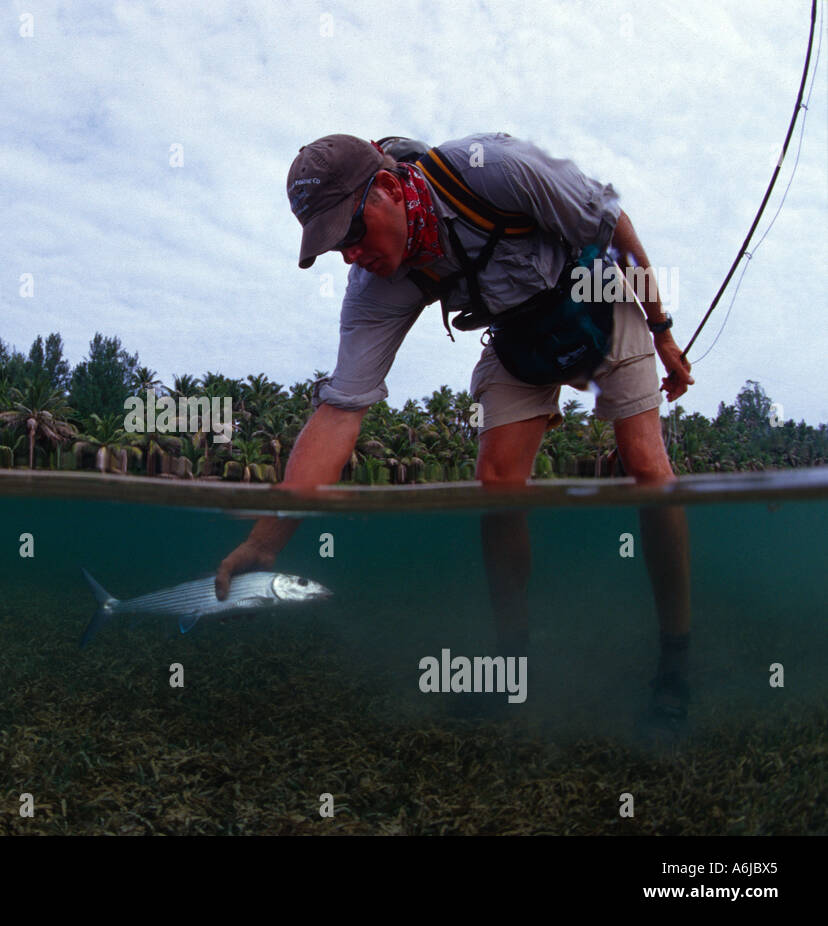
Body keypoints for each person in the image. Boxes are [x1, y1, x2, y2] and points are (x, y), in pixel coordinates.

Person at [214, 132, 695, 727]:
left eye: (352, 232)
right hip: (519, 337)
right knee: (494, 484)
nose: (351, 255)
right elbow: (341, 410)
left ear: (389, 188)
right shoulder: (375, 289)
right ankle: (514, 665)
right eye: (335, 246)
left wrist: (663, 330)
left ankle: (675, 658)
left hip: (595, 298)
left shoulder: (494, 169)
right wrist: (266, 541)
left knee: (647, 467)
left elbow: (610, 220)